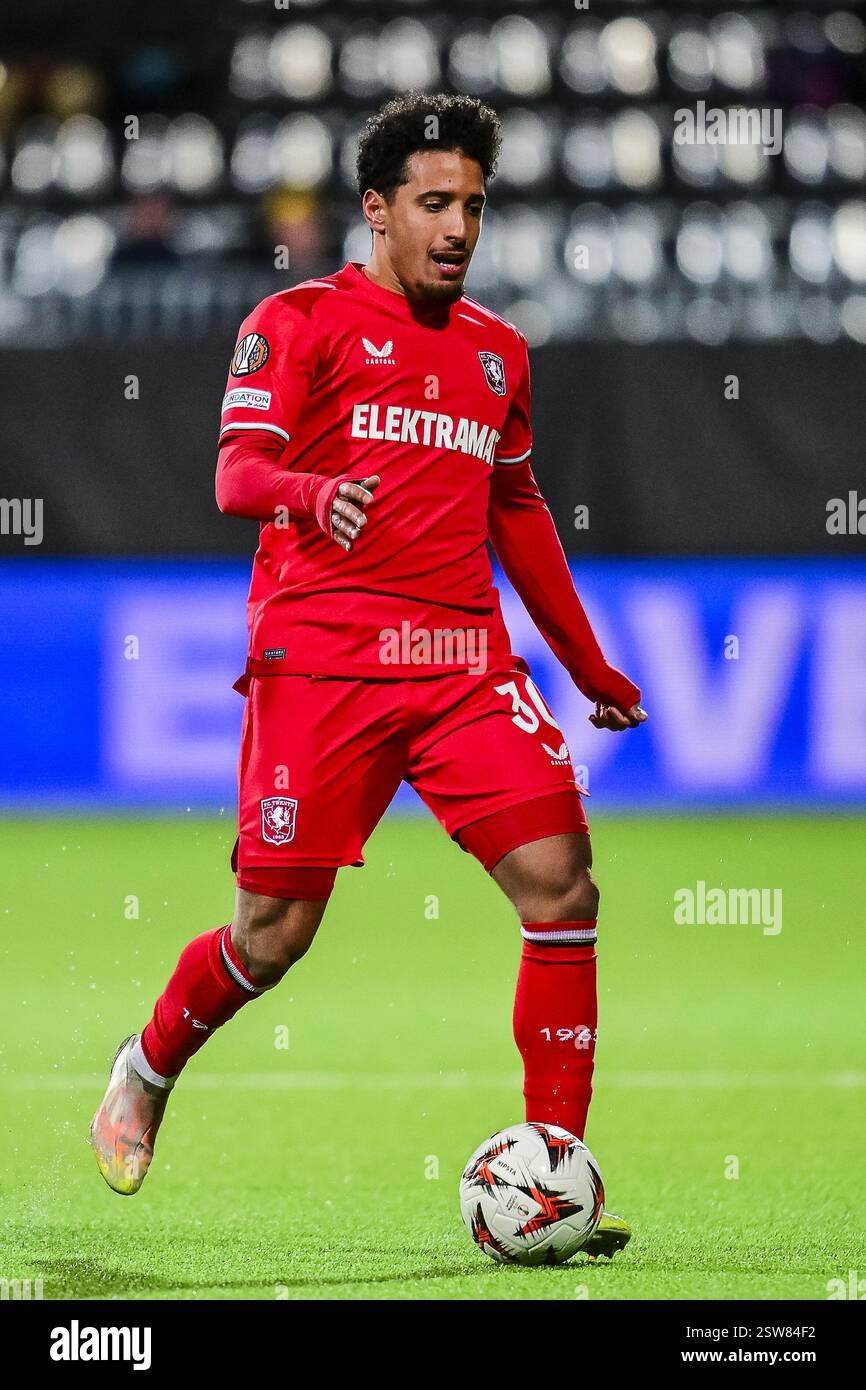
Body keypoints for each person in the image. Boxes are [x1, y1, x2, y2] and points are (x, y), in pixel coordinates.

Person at [91, 92, 646, 1260]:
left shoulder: (498, 352)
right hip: (324, 663)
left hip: (457, 664)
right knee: (271, 937)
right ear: (377, 209)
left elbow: (516, 507)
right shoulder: (296, 321)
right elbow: (238, 476)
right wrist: (310, 493)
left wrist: (586, 661)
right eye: (434, 204)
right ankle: (147, 1066)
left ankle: (554, 1176)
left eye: (474, 209)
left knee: (562, 886)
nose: (456, 229)